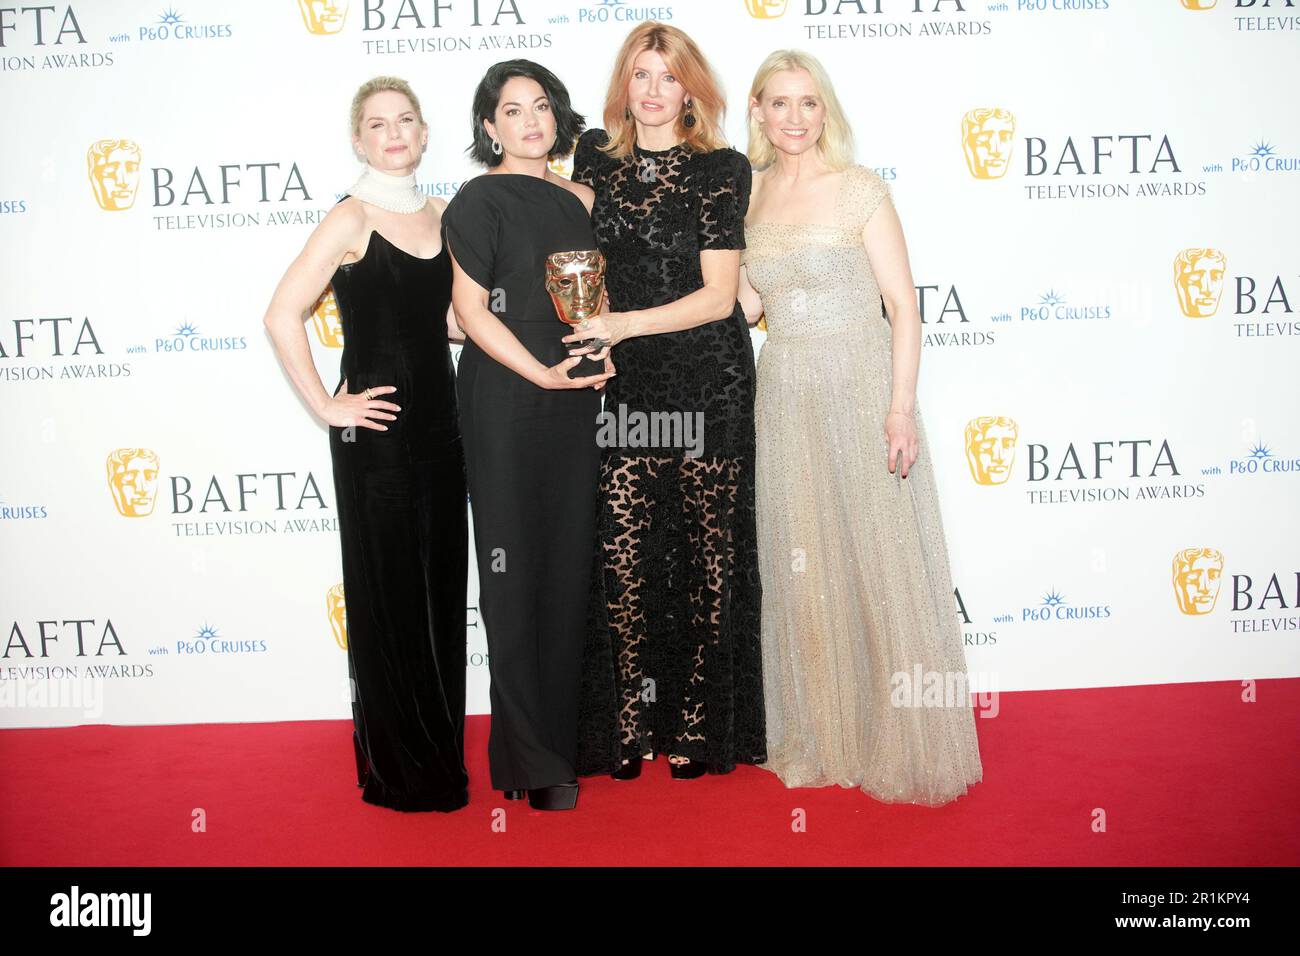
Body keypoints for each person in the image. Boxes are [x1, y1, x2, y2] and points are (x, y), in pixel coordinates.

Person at [738, 50, 983, 805]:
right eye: (779, 103)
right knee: (804, 563)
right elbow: (744, 309)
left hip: (862, 384)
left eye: (808, 103)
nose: (794, 119)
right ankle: (824, 732)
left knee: (882, 560)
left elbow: (904, 304)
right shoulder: (746, 200)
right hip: (786, 394)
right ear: (757, 112)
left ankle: (900, 737)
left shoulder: (860, 191)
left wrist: (900, 406)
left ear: (827, 111)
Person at [262, 76, 471, 812]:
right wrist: (326, 405)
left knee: (441, 593)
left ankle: (441, 757)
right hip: (375, 437)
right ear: (358, 138)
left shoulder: (444, 214)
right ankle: (399, 772)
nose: (393, 133)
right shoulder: (349, 218)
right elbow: (283, 313)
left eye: (405, 120)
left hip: (443, 433)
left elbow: (445, 323)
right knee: (388, 596)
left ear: (422, 133)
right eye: (377, 123)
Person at [570, 22, 766, 781]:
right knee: (626, 560)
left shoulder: (722, 168)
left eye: (668, 77)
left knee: (706, 561)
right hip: (627, 387)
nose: (653, 92)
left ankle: (694, 723)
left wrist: (622, 323)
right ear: (624, 83)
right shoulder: (593, 158)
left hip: (706, 382)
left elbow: (720, 298)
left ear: (690, 88)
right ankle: (628, 722)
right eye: (640, 75)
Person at [441, 59, 613, 811]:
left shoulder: (583, 198)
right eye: (511, 111)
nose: (530, 122)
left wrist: (599, 350)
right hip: (506, 400)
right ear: (489, 127)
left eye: (541, 107)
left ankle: (563, 738)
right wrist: (539, 374)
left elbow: (588, 300)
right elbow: (471, 315)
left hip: (574, 399)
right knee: (512, 576)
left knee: (567, 561)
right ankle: (530, 763)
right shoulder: (479, 200)